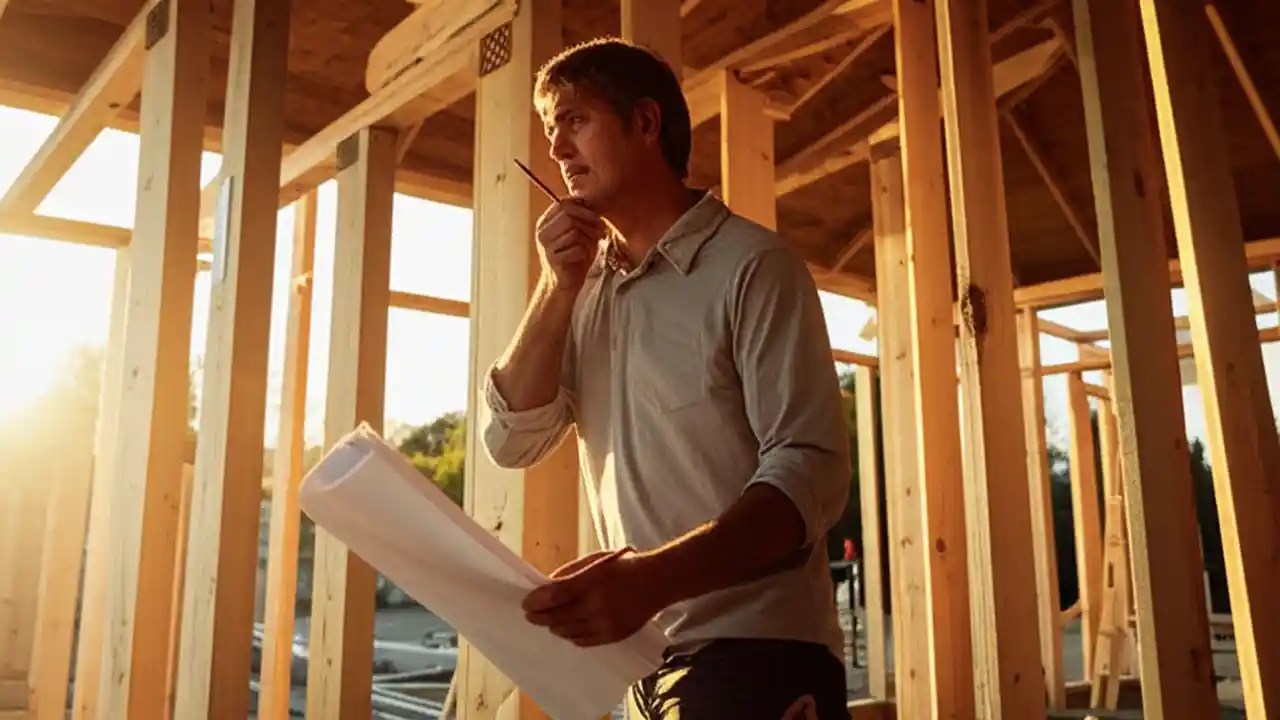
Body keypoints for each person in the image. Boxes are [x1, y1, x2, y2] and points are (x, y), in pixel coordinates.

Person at [481, 37, 852, 719]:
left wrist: (650, 581)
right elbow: (510, 441)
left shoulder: (753, 265)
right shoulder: (583, 288)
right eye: (549, 129)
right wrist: (557, 285)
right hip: (641, 660)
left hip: (758, 655)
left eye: (574, 119)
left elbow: (811, 471)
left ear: (646, 124)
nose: (557, 149)